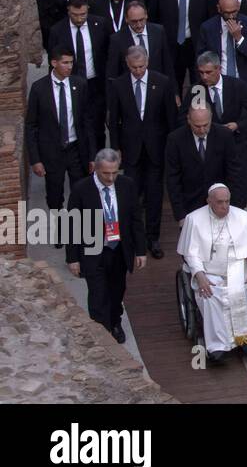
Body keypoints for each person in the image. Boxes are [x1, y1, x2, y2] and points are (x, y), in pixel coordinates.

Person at [178, 183, 247, 362]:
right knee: (210, 294)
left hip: (238, 269)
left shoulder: (242, 217)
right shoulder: (194, 219)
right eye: (220, 202)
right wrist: (200, 275)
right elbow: (191, 253)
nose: (225, 206)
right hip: (209, 272)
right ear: (209, 201)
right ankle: (218, 346)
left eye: (227, 201)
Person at [65, 149, 147, 344]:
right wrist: (73, 258)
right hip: (93, 251)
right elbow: (71, 225)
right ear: (95, 169)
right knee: (98, 294)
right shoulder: (81, 189)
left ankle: (115, 322)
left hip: (118, 249)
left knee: (117, 290)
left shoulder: (127, 185)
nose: (111, 178)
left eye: (114, 172)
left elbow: (135, 218)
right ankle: (102, 332)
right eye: (106, 173)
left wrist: (141, 250)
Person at [107, 46, 177, 259]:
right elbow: (114, 121)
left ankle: (152, 237)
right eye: (134, 67)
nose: (138, 71)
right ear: (127, 65)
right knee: (130, 194)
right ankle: (131, 237)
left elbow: (171, 118)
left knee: (155, 194)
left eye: (141, 66)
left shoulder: (162, 82)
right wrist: (116, 148)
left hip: (156, 148)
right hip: (130, 150)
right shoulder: (118, 85)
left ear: (147, 63)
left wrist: (171, 148)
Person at [25, 46, 92, 213]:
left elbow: (87, 122)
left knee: (81, 191)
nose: (69, 66)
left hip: (76, 149)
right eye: (65, 62)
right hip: (52, 152)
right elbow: (31, 125)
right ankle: (61, 231)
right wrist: (35, 160)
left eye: (71, 62)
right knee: (54, 196)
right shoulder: (39, 88)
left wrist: (92, 156)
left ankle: (80, 231)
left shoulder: (80, 84)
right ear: (54, 63)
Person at [194, 52, 247, 204]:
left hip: (236, 145)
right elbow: (186, 116)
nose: (204, 77)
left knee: (238, 189)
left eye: (208, 72)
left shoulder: (236, 85)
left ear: (218, 69)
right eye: (201, 72)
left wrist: (238, 125)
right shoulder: (197, 90)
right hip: (212, 149)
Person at [48, 0, 110, 152]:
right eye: (75, 15)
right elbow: (53, 61)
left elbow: (107, 54)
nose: (79, 19)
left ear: (88, 9)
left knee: (97, 126)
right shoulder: (57, 31)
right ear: (68, 11)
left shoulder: (100, 24)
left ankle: (99, 161)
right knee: (77, 125)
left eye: (83, 14)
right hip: (71, 84)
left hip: (95, 84)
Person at [148, 0, 215, 92]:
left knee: (199, 85)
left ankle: (198, 111)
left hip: (196, 46)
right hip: (170, 46)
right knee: (171, 86)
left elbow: (210, 20)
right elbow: (153, 19)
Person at [166, 108, 245, 219]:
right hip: (191, 207)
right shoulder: (175, 140)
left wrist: (236, 207)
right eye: (197, 126)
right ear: (188, 120)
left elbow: (234, 172)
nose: (202, 130)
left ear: (211, 118)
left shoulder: (224, 135)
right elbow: (173, 179)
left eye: (205, 125)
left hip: (222, 205)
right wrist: (180, 214)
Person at [199, 0, 247, 100]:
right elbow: (201, 58)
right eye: (227, 13)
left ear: (238, 6)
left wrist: (239, 38)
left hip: (245, 85)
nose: (231, 16)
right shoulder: (207, 28)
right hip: (219, 85)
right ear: (219, 9)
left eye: (234, 12)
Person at [106, 0, 174, 81]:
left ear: (146, 15)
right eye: (134, 21)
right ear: (126, 19)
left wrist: (174, 91)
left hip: (156, 86)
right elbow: (112, 73)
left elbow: (167, 64)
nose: (139, 25)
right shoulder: (117, 39)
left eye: (141, 20)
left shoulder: (158, 31)